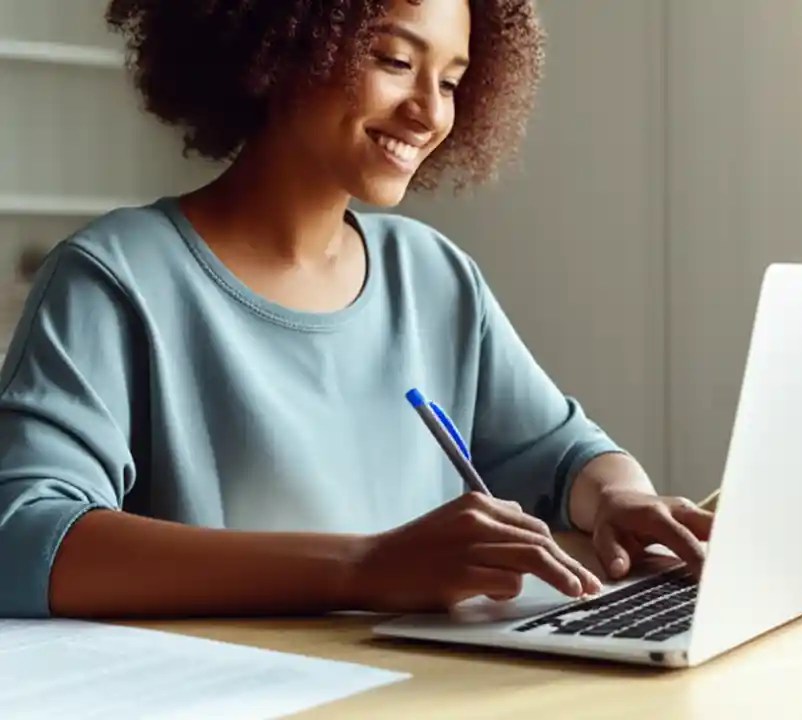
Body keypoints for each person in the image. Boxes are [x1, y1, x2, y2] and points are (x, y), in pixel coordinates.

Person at [0, 0, 712, 619]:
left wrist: (619, 498)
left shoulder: (432, 276)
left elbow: (566, 456)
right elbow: (25, 539)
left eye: (453, 81)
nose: (430, 110)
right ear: (284, 39)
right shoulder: (117, 278)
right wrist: (364, 568)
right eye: (395, 60)